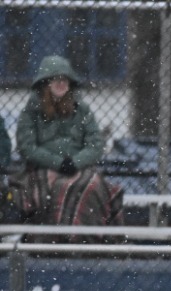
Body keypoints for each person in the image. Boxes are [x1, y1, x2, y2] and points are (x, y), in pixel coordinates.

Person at [12, 55, 121, 228]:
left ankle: (84, 237)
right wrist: (58, 163)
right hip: (42, 168)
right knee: (52, 189)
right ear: (45, 83)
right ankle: (51, 237)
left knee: (90, 186)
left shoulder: (82, 110)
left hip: (78, 168)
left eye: (65, 79)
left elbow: (95, 145)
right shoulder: (32, 111)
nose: (61, 83)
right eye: (56, 79)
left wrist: (75, 162)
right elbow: (27, 147)